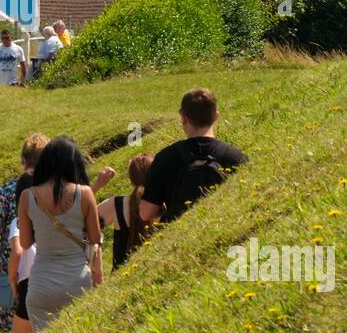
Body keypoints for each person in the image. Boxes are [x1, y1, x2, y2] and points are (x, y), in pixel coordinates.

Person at [16, 136, 103, 331]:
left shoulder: (27, 196)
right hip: (77, 281)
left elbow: (25, 243)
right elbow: (95, 238)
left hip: (41, 285)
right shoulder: (85, 193)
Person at [0, 133, 51, 333]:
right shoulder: (60, 189)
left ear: (23, 161)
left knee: (13, 327)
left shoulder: (7, 190)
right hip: (52, 265)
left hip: (11, 268)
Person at [139, 87, 248, 225]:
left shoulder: (165, 157)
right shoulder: (235, 156)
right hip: (225, 226)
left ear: (184, 119)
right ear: (216, 117)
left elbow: (146, 213)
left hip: (177, 233)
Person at [96, 154, 153, 270]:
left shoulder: (117, 205)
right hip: (153, 268)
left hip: (121, 276)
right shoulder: (164, 202)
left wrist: (97, 185)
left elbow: (79, 217)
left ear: (131, 179)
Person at [6, 181, 36, 333]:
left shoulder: (18, 221)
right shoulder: (55, 216)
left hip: (30, 283)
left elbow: (17, 252)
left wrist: (11, 278)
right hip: (59, 276)